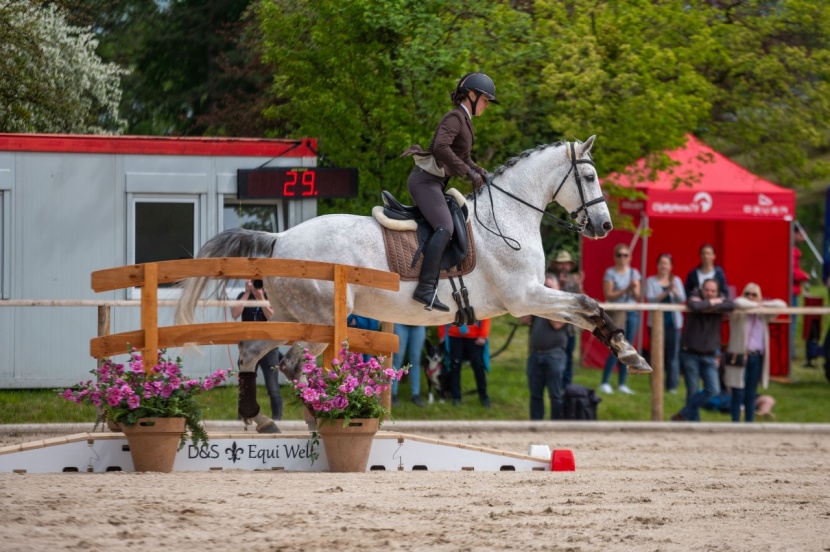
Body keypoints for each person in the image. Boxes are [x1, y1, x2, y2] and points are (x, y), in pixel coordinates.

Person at [401, 72, 497, 311]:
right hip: (424, 182)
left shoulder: (465, 121)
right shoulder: (455, 117)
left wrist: (479, 170)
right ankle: (425, 288)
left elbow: (463, 155)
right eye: (485, 100)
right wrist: (468, 172)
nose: (486, 105)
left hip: (434, 184)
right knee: (445, 227)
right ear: (472, 95)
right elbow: (441, 147)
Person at [671, 279, 735, 422]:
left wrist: (707, 304)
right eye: (707, 290)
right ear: (702, 289)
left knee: (713, 390)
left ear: (717, 292)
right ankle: (694, 423)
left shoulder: (721, 300)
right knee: (692, 390)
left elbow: (731, 305)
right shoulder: (694, 296)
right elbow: (694, 305)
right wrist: (713, 302)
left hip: (710, 354)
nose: (709, 293)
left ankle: (684, 415)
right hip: (690, 352)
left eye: (713, 291)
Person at [725, 283, 786, 423]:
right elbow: (738, 302)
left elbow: (781, 304)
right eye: (747, 294)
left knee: (750, 394)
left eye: (754, 294)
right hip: (739, 356)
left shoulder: (763, 314)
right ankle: (735, 424)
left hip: (756, 357)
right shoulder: (737, 312)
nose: (750, 297)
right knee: (738, 393)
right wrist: (754, 304)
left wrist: (761, 304)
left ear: (759, 297)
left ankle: (749, 424)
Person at [231, 279, 283, 420]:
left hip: (269, 348)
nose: (257, 284)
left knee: (273, 387)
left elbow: (272, 318)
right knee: (245, 387)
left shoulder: (272, 297)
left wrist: (260, 298)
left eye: (259, 282)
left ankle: (277, 420)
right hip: (248, 348)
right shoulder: (243, 296)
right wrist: (247, 293)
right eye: (254, 281)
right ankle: (242, 419)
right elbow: (235, 314)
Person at [519, 274, 568, 420]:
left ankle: (556, 426)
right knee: (535, 395)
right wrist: (532, 303)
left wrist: (545, 301)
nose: (545, 290)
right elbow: (523, 320)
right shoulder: (537, 304)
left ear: (557, 288)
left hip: (554, 355)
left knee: (555, 395)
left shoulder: (563, 303)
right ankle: (536, 426)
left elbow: (557, 324)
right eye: (543, 287)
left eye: (549, 287)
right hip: (535, 354)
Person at [599, 243, 641, 395]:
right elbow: (608, 295)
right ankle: (605, 382)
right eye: (619, 255)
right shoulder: (610, 273)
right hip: (617, 313)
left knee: (628, 348)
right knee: (617, 347)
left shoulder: (634, 273)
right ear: (615, 257)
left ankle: (622, 383)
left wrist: (633, 289)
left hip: (632, 312)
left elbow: (638, 296)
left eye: (625, 255)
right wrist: (625, 290)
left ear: (629, 257)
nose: (622, 258)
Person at [644, 253, 686, 393]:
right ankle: (656, 384)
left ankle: (672, 386)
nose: (663, 266)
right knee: (656, 355)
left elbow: (682, 299)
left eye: (666, 263)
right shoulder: (651, 281)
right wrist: (667, 291)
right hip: (655, 324)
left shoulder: (676, 280)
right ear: (657, 265)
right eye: (661, 263)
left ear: (671, 266)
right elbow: (651, 299)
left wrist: (674, 291)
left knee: (673, 355)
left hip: (673, 324)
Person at [438, 319, 492, 408]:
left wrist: (483, 335)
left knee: (478, 366)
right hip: (454, 335)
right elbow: (443, 315)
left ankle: (484, 397)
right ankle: (456, 398)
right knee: (454, 366)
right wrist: (442, 334)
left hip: (474, 336)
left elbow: (486, 315)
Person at [550, 250, 583, 386]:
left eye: (566, 263)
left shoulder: (573, 280)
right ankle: (556, 383)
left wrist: (580, 285)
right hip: (554, 326)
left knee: (569, 356)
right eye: (561, 263)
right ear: (556, 265)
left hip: (569, 327)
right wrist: (561, 286)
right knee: (556, 356)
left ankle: (566, 385)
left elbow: (581, 300)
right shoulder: (550, 278)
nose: (564, 266)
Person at [390, 324, 427, 407]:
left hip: (418, 324)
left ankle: (416, 395)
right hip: (400, 322)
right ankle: (392, 394)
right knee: (397, 358)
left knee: (416, 360)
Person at [791, 227, 810, 359]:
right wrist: (805, 276)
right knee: (792, 323)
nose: (803, 239)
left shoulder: (794, 251)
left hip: (794, 292)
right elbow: (792, 272)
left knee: (793, 323)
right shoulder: (792, 252)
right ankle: (791, 353)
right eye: (801, 235)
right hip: (791, 293)